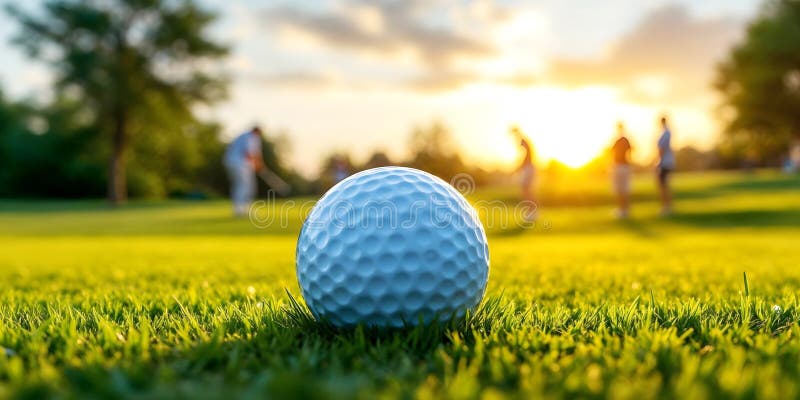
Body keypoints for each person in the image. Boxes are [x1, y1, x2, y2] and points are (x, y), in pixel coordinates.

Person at [224, 126, 264, 216]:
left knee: (238, 185)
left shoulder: (243, 135)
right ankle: (242, 210)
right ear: (257, 132)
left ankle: (239, 209)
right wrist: (258, 164)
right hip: (240, 164)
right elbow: (249, 153)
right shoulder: (252, 137)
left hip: (230, 162)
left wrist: (257, 164)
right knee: (246, 186)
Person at [510, 126, 536, 222]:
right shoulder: (523, 140)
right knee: (526, 190)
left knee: (527, 190)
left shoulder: (523, 140)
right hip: (528, 167)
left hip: (528, 168)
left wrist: (520, 167)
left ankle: (532, 213)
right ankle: (531, 213)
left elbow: (527, 155)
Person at [611, 122, 632, 218]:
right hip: (626, 166)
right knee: (625, 189)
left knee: (620, 189)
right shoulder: (626, 139)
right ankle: (625, 210)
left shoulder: (617, 140)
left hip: (619, 166)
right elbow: (631, 151)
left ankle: (622, 210)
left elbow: (612, 152)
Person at [656, 116, 675, 216]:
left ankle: (666, 207)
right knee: (665, 185)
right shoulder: (667, 132)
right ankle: (667, 207)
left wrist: (658, 162)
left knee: (663, 186)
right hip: (667, 162)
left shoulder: (665, 133)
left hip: (664, 163)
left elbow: (661, 149)